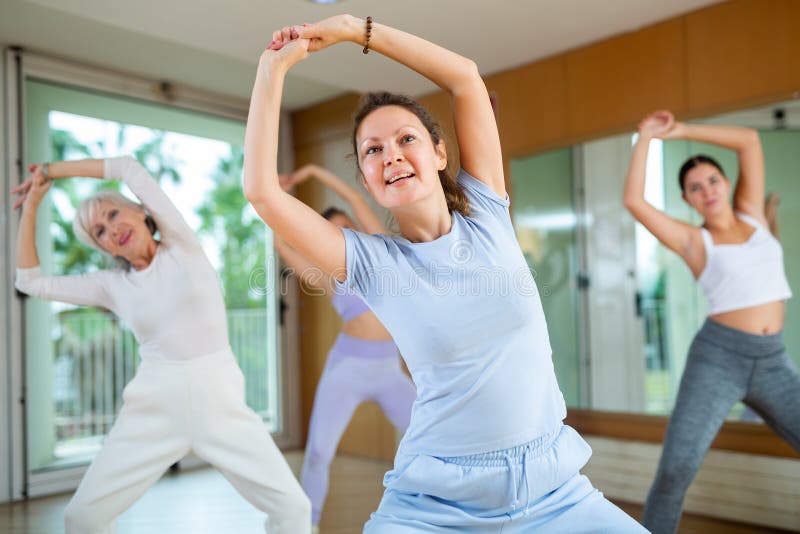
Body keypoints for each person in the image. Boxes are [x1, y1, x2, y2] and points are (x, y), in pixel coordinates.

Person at [244, 14, 646, 532]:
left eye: (405, 139)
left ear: (438, 153)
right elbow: (262, 193)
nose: (390, 154)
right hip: (435, 505)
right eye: (372, 150)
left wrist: (355, 29)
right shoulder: (373, 264)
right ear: (366, 178)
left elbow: (465, 78)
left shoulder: (487, 213)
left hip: (555, 492)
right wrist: (270, 71)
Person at [13, 157, 310, 534]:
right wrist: (34, 205)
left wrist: (49, 173)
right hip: (154, 405)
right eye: (99, 231)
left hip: (220, 401)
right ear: (104, 248)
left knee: (293, 509)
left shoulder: (181, 244)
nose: (112, 228)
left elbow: (126, 167)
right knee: (83, 517)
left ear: (140, 211)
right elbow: (30, 282)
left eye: (113, 214)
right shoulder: (112, 286)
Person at [622, 111, 800, 533]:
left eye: (712, 181)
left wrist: (681, 129)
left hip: (773, 360)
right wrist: (647, 135)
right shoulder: (692, 240)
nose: (707, 192)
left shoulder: (754, 215)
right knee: (676, 470)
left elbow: (749, 141)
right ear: (687, 200)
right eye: (695, 189)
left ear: (726, 182)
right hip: (718, 359)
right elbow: (634, 201)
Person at [276, 164, 415, 529]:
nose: (345, 231)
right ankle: (307, 524)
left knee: (432, 437)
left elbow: (355, 196)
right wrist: (277, 195)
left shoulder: (386, 257)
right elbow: (279, 239)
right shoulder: (329, 277)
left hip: (389, 371)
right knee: (319, 453)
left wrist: (310, 172)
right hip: (347, 370)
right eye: (334, 230)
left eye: (348, 224)